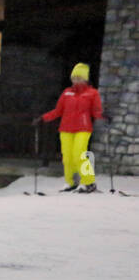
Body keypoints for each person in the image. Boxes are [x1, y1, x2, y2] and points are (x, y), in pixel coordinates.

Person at [34, 62, 105, 193]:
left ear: (85, 78)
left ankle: (88, 182)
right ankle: (70, 182)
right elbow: (58, 111)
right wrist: (43, 118)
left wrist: (104, 116)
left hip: (83, 128)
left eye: (79, 77)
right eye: (74, 77)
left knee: (79, 154)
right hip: (66, 128)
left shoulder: (92, 93)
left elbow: (96, 111)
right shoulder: (67, 93)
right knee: (67, 157)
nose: (75, 80)